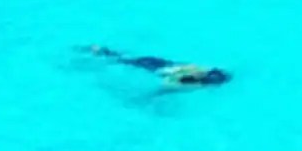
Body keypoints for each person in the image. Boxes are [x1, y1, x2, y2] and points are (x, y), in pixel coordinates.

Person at [87, 46, 231, 87]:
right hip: (155, 66)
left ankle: (101, 51)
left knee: (126, 59)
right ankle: (100, 52)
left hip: (159, 62)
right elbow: (166, 81)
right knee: (124, 61)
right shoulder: (190, 77)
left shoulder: (196, 70)